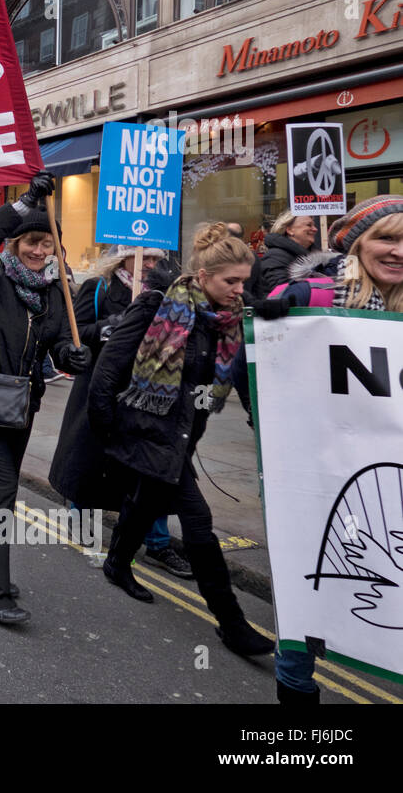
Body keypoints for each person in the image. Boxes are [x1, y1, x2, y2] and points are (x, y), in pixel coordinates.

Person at [89, 223, 273, 657]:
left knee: (147, 502)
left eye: (244, 282)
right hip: (148, 432)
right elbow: (107, 372)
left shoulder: (228, 319)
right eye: (231, 281)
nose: (238, 289)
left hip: (185, 436)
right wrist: (109, 435)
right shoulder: (157, 305)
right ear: (204, 276)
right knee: (198, 522)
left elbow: (258, 333)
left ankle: (117, 563)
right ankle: (231, 624)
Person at [249, 194, 403, 702]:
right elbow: (252, 380)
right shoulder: (314, 295)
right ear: (357, 245)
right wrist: (270, 333)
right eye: (388, 238)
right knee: (313, 587)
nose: (399, 251)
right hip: (328, 479)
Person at [0, 173, 91, 625]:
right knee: (0, 493)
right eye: (32, 242)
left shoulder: (56, 293)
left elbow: (56, 345)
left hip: (23, 405)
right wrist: (25, 203)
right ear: (16, 244)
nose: (40, 251)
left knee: (3, 492)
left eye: (48, 243)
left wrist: (72, 355)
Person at [48, 245, 194, 579]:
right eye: (146, 257)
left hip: (148, 393)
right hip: (101, 385)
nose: (151, 264)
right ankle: (81, 519)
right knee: (91, 462)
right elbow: (76, 332)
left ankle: (157, 544)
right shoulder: (98, 288)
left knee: (152, 469)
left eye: (158, 259)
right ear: (123, 257)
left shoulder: (165, 293)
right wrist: (108, 327)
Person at [245, 210, 318, 299]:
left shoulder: (313, 255)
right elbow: (282, 293)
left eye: (314, 225)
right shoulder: (275, 257)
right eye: (309, 225)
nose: (315, 229)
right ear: (290, 230)